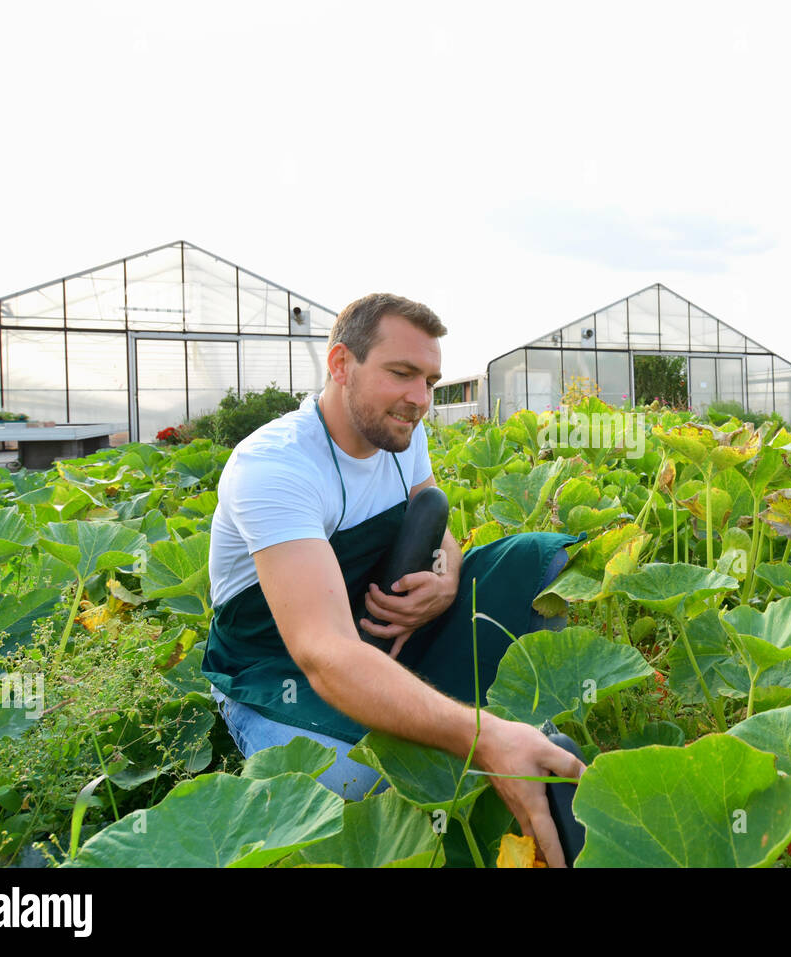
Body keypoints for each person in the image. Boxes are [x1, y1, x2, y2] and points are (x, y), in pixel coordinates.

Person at [203, 292, 585, 867]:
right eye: (402, 374)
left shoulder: (400, 432)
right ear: (340, 365)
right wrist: (484, 738)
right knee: (356, 787)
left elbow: (434, 517)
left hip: (389, 626)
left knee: (536, 562)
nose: (420, 399)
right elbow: (323, 651)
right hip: (282, 666)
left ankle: (473, 713)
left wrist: (449, 576)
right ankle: (486, 729)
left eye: (430, 380)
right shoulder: (275, 466)